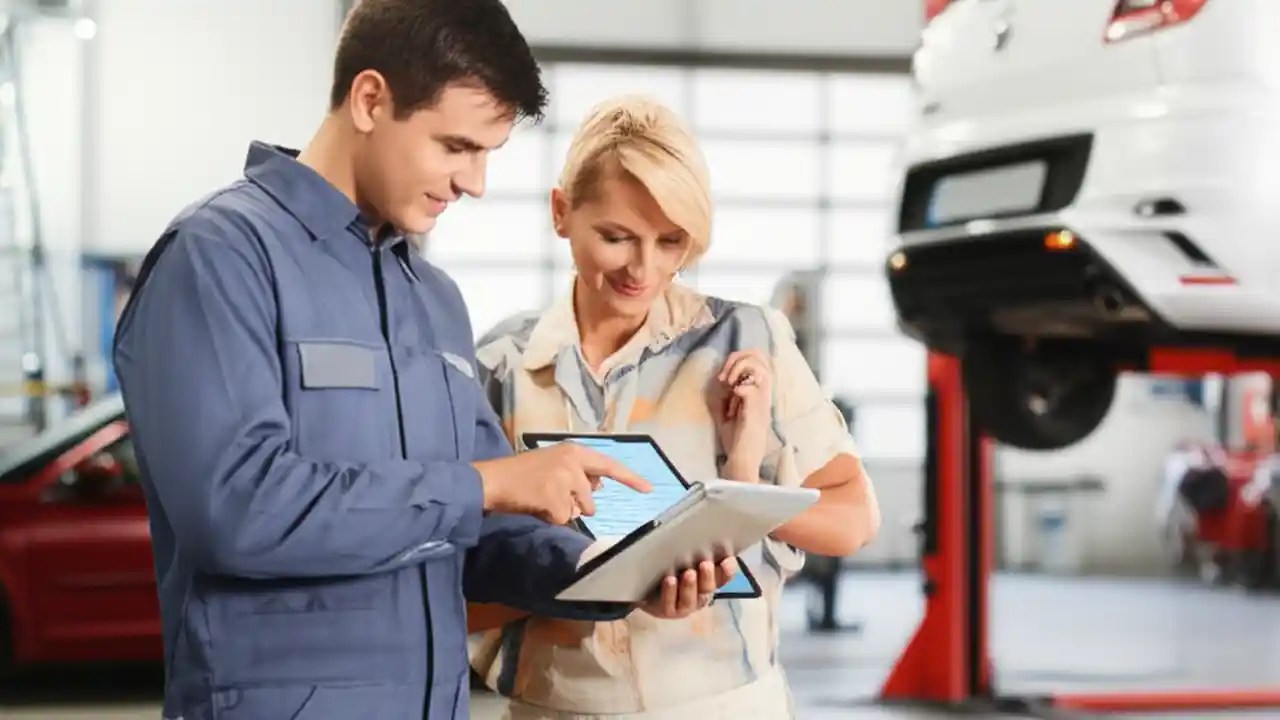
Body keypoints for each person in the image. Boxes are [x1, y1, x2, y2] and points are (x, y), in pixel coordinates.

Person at [112, 3, 729, 718]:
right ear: (370, 99)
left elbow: (481, 531)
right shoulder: (220, 258)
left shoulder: (432, 299)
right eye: (457, 146)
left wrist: (608, 572)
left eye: (487, 154)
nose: (475, 182)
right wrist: (484, 485)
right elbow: (237, 509)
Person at [469, 95, 882, 719]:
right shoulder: (501, 364)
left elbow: (852, 519)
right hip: (553, 705)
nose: (646, 268)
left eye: (672, 242)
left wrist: (741, 489)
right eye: (616, 237)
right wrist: (604, 581)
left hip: (720, 703)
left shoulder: (746, 340)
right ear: (561, 213)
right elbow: (461, 575)